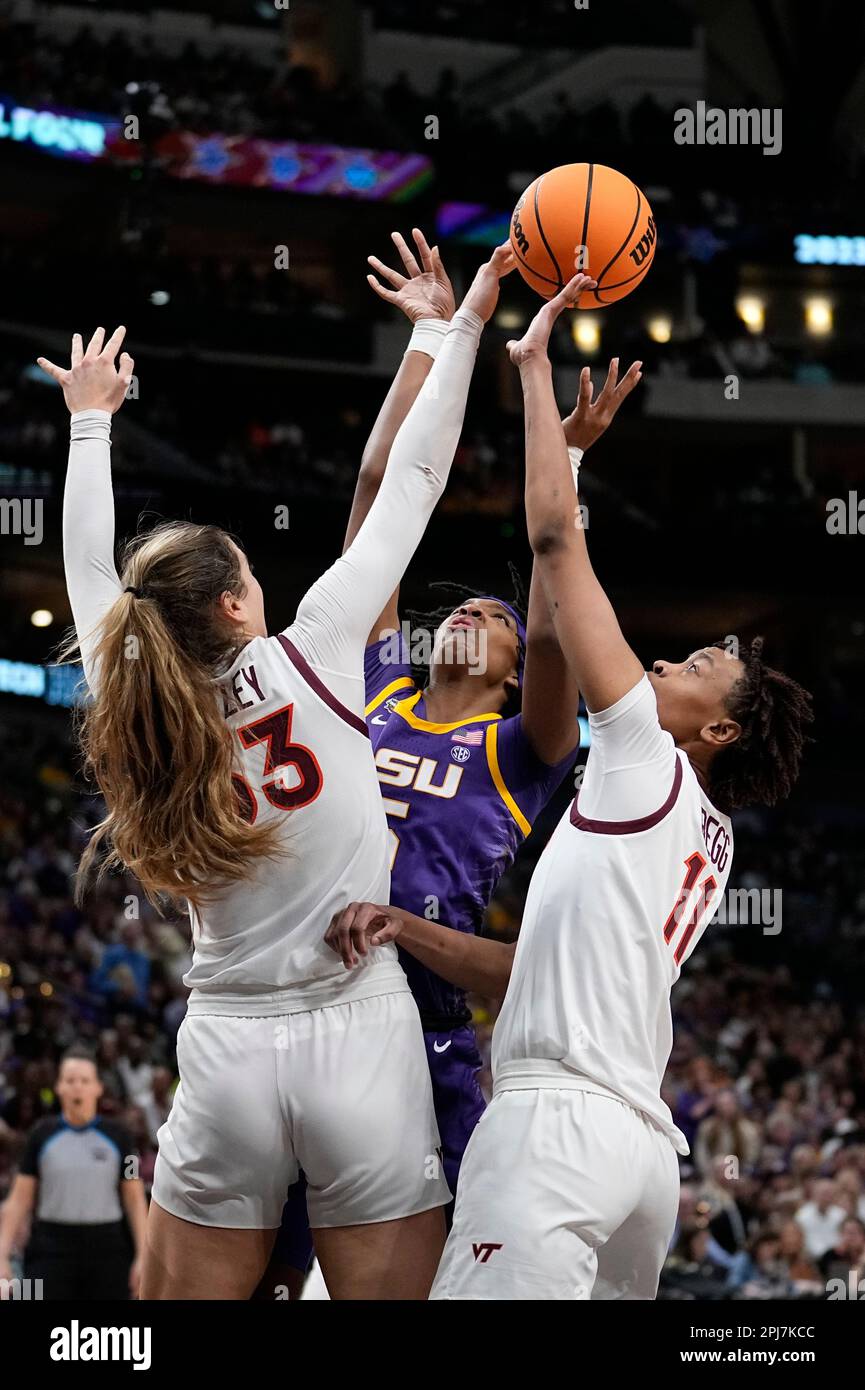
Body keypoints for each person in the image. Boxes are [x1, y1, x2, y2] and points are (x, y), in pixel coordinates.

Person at [39, 246, 513, 1300]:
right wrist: (454, 325)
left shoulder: (134, 704)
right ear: (237, 608)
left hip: (228, 1045)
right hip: (358, 1025)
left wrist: (87, 419)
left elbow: (85, 576)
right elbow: (418, 480)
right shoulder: (315, 649)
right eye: (251, 571)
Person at [423, 270, 813, 1300]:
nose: (667, 665)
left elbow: (555, 543)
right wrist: (581, 455)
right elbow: (551, 620)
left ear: (716, 729)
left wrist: (536, 374)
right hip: (641, 1155)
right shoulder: (706, 832)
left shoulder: (643, 754)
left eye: (695, 670)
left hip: (557, 1125)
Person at [266, 229, 641, 1297]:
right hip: (299, 995)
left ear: (517, 659)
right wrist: (430, 338)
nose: (472, 612)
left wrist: (562, 462)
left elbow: (561, 607)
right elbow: (381, 487)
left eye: (494, 613)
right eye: (461, 606)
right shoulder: (373, 680)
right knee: (263, 1276)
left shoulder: (523, 747)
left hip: (422, 1034)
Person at [0, 1049, 146, 1300]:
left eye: (84, 1081)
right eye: (70, 1080)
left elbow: (134, 1198)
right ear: (59, 1087)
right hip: (50, 1246)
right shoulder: (40, 1135)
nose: (77, 1087)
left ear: (98, 1088)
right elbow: (19, 1199)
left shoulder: (122, 1138)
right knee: (29, 1296)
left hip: (108, 1248)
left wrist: (144, 1256)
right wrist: (1, 1253)